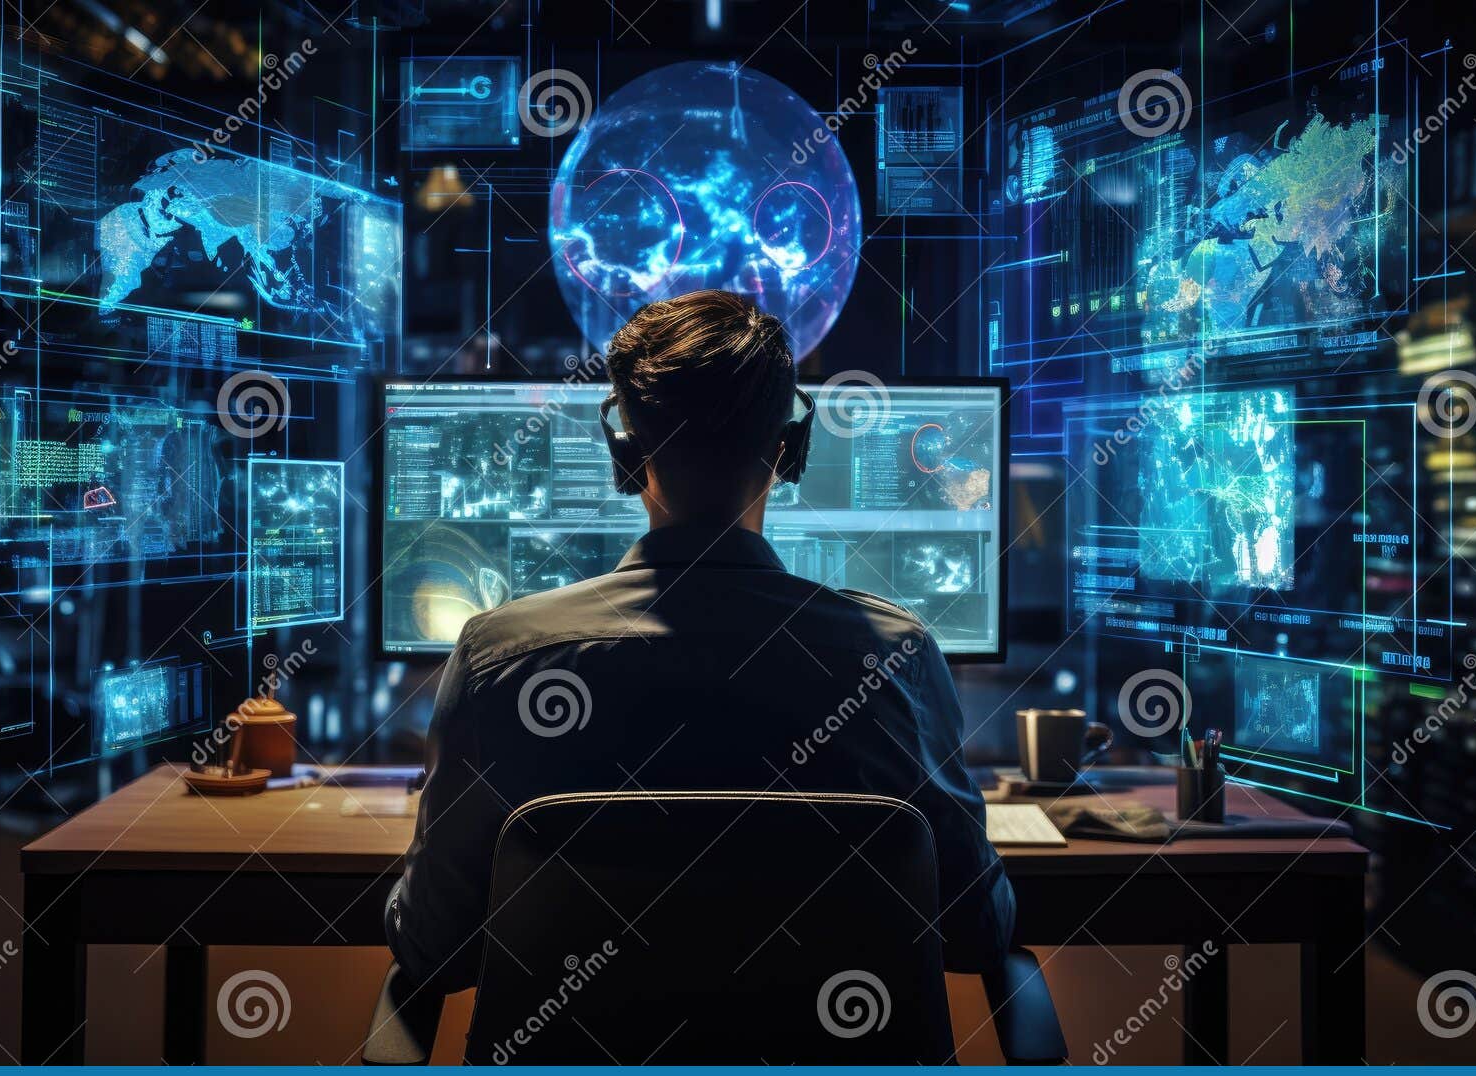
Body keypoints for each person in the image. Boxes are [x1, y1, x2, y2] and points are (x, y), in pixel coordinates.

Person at [386, 289, 1014, 993]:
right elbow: (975, 933)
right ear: (790, 450)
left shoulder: (497, 659)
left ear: (624, 456)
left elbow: (435, 949)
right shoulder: (893, 658)